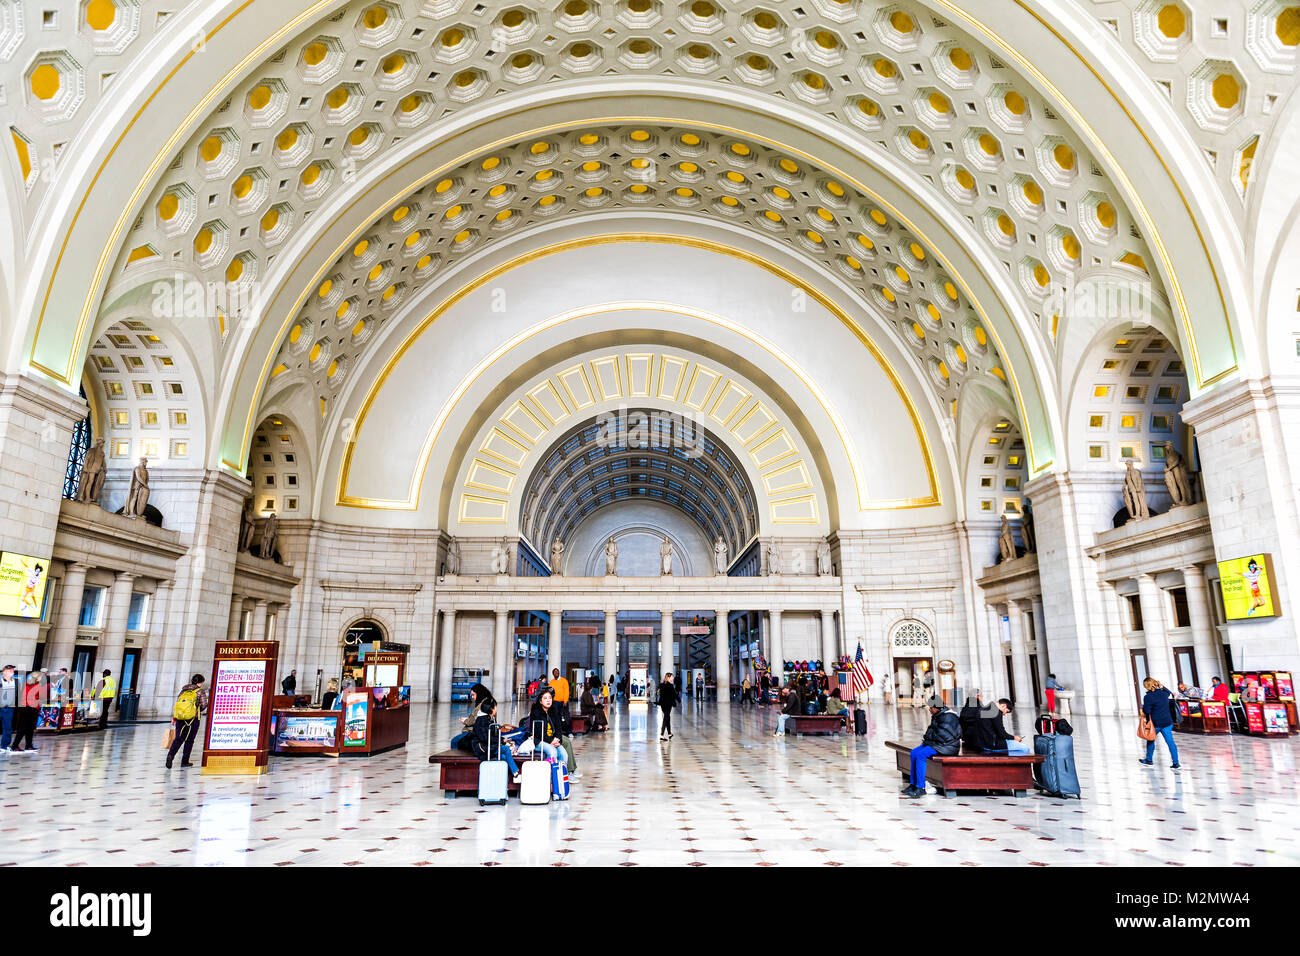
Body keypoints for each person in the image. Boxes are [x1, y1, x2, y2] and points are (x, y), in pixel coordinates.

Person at [901, 697, 962, 797]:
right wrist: (928, 738)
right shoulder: (938, 715)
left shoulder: (949, 717)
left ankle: (921, 787)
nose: (929, 709)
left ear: (937, 707)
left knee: (921, 755)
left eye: (931, 707)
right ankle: (913, 784)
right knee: (914, 752)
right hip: (938, 744)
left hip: (947, 746)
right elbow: (932, 732)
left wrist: (928, 738)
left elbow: (944, 736)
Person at [527, 689, 576, 776]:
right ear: (540, 701)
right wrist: (551, 741)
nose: (548, 700)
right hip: (539, 740)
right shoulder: (536, 713)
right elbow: (538, 733)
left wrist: (558, 740)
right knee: (553, 752)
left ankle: (561, 777)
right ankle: (549, 777)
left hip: (552, 739)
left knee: (564, 754)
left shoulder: (553, 710)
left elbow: (558, 728)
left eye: (550, 698)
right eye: (545, 698)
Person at [472, 700, 521, 783]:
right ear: (491, 709)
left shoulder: (489, 719)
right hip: (483, 748)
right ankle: (515, 774)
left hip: (488, 746)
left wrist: (502, 739)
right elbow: (485, 738)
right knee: (505, 749)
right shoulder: (482, 720)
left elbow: (492, 736)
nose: (496, 709)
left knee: (504, 757)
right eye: (495, 707)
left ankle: (503, 781)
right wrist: (502, 741)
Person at [165, 675, 207, 769]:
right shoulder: (200, 691)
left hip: (180, 718)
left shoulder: (183, 690)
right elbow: (204, 705)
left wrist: (174, 717)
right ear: (200, 682)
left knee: (178, 738)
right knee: (189, 740)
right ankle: (185, 761)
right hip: (193, 719)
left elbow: (178, 704)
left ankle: (170, 755)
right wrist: (196, 710)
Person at [1140, 677, 1181, 771]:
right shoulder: (1164, 693)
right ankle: (1176, 762)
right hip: (1167, 722)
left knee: (1150, 740)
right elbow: (1170, 693)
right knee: (1170, 742)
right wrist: (1162, 686)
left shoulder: (1148, 697)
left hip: (1156, 723)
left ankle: (1149, 759)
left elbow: (1147, 710)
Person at [11, 672, 42, 753]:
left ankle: (28, 745)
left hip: (25, 708)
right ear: (37, 678)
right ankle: (14, 746)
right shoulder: (37, 686)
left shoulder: (26, 685)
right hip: (31, 708)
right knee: (24, 728)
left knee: (29, 728)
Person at [657, 672, 678, 740]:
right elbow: (674, 695)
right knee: (666, 718)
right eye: (672, 677)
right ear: (668, 678)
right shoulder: (670, 685)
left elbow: (659, 694)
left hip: (663, 704)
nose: (673, 678)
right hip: (668, 704)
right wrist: (679, 700)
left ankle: (669, 734)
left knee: (667, 718)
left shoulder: (661, 685)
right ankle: (661, 734)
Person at [0, 665, 16, 753]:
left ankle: (4, 746)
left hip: (9, 708)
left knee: (8, 728)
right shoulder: (1, 680)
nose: (13, 672)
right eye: (12, 670)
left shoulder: (14, 681)